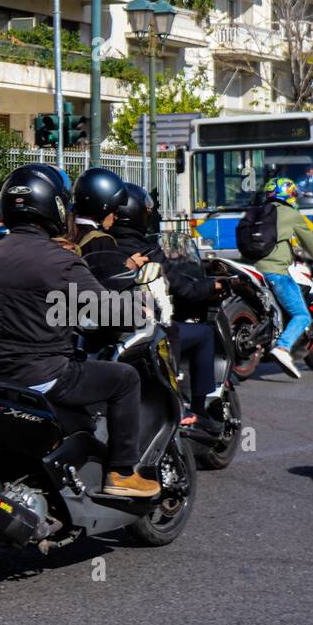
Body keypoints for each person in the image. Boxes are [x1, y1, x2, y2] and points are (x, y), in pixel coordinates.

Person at [0, 164, 160, 498]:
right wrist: (140, 311)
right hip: (44, 374)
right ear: (54, 207)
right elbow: (105, 311)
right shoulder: (59, 261)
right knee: (124, 379)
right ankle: (121, 473)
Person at [112, 182, 228, 435]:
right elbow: (180, 287)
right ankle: (196, 410)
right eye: (146, 212)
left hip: (106, 329)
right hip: (144, 331)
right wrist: (210, 287)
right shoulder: (146, 250)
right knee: (204, 335)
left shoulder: (98, 243)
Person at [246, 177, 313, 379]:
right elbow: (309, 241)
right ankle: (283, 347)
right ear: (288, 194)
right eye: (294, 194)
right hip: (276, 271)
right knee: (302, 315)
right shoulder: (290, 213)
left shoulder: (258, 211)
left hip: (253, 269)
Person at [71, 167, 146, 281]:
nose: (115, 216)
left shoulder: (67, 230)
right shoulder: (101, 241)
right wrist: (129, 268)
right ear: (103, 207)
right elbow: (111, 284)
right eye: (114, 209)